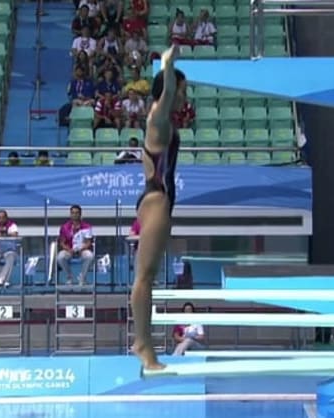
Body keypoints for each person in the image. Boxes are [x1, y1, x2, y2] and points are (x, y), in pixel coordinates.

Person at [130, 45, 186, 371]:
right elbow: (164, 100)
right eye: (181, 91)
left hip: (157, 200)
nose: (184, 97)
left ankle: (144, 344)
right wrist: (167, 65)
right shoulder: (156, 118)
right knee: (145, 278)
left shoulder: (162, 123)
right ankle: (143, 345)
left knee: (147, 277)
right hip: (156, 202)